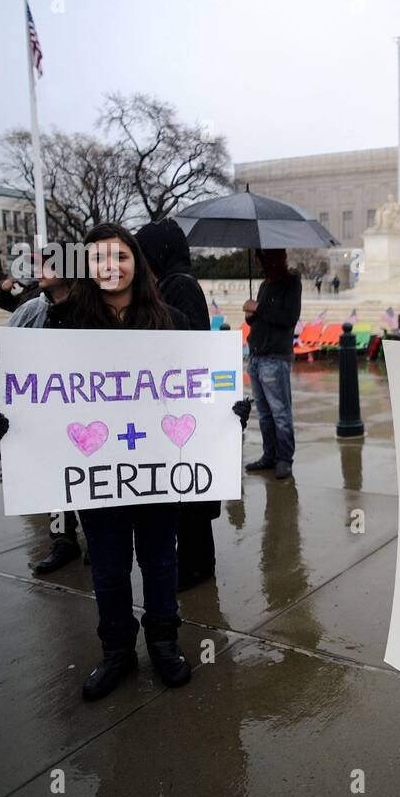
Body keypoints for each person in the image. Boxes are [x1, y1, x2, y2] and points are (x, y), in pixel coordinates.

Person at [0, 222, 252, 701]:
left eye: (121, 256)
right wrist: (15, 425)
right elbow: (43, 394)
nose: (112, 266)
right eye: (101, 257)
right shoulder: (64, 324)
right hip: (98, 470)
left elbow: (199, 387)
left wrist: (228, 415)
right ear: (88, 266)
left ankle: (165, 643)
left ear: (136, 263)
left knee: (160, 563)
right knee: (107, 568)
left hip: (157, 466)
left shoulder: (171, 320)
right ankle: (117, 653)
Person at [135, 218, 221, 592]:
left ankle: (197, 566)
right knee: (187, 497)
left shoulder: (179, 286)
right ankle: (195, 563)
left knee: (189, 500)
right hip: (182, 403)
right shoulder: (176, 283)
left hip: (184, 403)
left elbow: (185, 342)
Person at [0, 243, 83, 575]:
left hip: (85, 410)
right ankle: (62, 540)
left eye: (48, 265)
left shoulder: (91, 308)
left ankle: (97, 541)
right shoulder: (31, 307)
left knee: (88, 473)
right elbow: (7, 359)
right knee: (54, 479)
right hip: (46, 408)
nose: (39, 271)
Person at [244, 248, 301, 480]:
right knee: (265, 414)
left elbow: (288, 317)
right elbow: (263, 317)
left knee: (280, 413)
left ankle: (284, 459)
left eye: (260, 259)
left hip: (275, 358)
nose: (258, 263)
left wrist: (258, 308)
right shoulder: (265, 284)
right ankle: (269, 455)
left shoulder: (291, 283)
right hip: (256, 355)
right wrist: (251, 316)